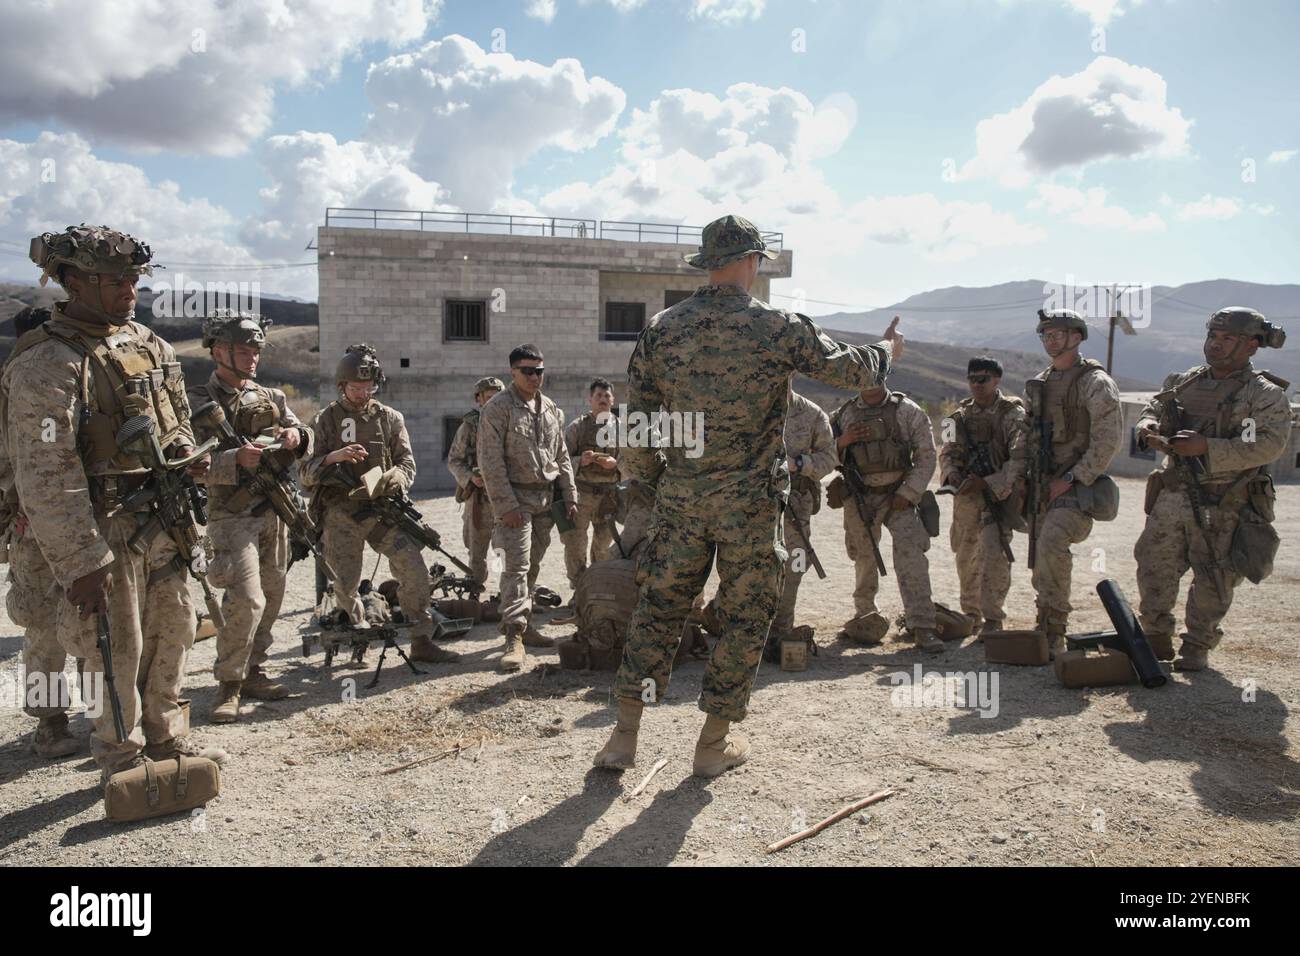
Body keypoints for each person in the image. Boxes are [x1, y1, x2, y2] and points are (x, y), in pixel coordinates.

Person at [593, 214, 902, 778]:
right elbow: (849, 373)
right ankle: (712, 745)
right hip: (750, 507)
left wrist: (658, 483)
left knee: (658, 612)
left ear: (709, 264)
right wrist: (884, 349)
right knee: (743, 618)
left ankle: (623, 739)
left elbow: (636, 423)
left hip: (681, 501)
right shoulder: (777, 326)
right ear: (753, 262)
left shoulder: (662, 328)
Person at [3, 225, 213, 785]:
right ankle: (120, 757)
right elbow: (46, 474)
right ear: (71, 280)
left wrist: (189, 454)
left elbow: (178, 419)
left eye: (134, 279)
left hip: (162, 520)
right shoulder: (48, 363)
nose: (129, 289)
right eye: (114, 279)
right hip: (104, 528)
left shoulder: (150, 343)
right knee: (113, 651)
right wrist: (79, 562)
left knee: (176, 629)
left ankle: (167, 739)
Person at [1133, 307, 1291, 671]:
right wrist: (1148, 426)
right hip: (1173, 492)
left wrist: (1208, 448)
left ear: (1252, 346)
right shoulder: (1187, 381)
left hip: (1225, 497)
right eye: (1212, 337)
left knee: (1215, 573)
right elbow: (1153, 406)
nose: (1215, 346)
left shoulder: (1262, 395)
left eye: (1227, 340)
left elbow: (1267, 445)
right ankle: (1156, 635)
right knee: (1154, 563)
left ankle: (1197, 644)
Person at [300, 344, 459, 664]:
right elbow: (305, 473)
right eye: (355, 388)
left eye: (368, 387)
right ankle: (357, 627)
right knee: (344, 582)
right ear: (341, 385)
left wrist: (395, 479)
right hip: (341, 512)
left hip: (382, 509)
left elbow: (407, 463)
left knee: (413, 569)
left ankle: (421, 640)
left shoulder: (390, 418)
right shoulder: (325, 420)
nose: (361, 394)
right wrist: (334, 458)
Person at [188, 310, 310, 722]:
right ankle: (229, 684)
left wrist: (297, 436)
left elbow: (300, 433)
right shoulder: (196, 402)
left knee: (273, 594)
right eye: (244, 350)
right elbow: (189, 465)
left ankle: (254, 669)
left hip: (273, 511)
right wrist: (232, 459)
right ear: (219, 351)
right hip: (230, 515)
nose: (253, 357)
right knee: (246, 597)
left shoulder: (272, 398)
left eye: (257, 349)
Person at [1, 306, 80, 757]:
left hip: (82, 517)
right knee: (44, 623)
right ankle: (50, 721)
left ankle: (102, 711)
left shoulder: (72, 378)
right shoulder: (16, 384)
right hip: (33, 525)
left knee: (93, 617)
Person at [1025, 309, 1122, 657]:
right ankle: (1043, 622)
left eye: (1058, 334)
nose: (1051, 340)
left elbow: (1108, 440)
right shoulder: (1040, 383)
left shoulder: (1095, 383)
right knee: (1039, 557)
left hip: (1077, 487)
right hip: (1042, 483)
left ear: (1077, 337)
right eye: (1046, 335)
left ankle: (1054, 630)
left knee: (1052, 542)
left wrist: (1071, 478)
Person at [476, 344, 578, 671]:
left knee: (532, 567)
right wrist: (505, 505)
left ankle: (526, 624)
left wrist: (570, 495)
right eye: (528, 371)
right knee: (515, 568)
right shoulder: (497, 408)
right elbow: (490, 462)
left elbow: (561, 456)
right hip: (515, 501)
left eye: (540, 371)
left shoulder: (549, 408)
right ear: (513, 372)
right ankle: (513, 637)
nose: (536, 377)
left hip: (545, 501)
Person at [830, 378, 940, 652]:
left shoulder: (907, 411)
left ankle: (922, 625)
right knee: (863, 557)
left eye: (873, 374)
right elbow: (823, 453)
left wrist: (908, 492)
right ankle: (866, 618)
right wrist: (843, 441)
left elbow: (927, 455)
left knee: (911, 556)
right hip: (860, 496)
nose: (867, 381)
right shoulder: (844, 414)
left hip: (899, 496)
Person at [938, 357, 1026, 637]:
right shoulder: (956, 417)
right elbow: (947, 451)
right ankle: (970, 615)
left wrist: (987, 483)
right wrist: (952, 473)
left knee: (994, 556)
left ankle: (992, 619)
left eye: (983, 379)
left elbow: (1020, 458)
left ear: (997, 380)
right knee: (966, 556)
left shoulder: (1013, 414)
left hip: (996, 497)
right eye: (972, 379)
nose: (976, 384)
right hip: (966, 497)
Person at [770, 376, 837, 643]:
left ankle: (780, 629)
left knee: (795, 564)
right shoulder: (748, 410)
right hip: (754, 504)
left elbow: (830, 457)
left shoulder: (811, 414)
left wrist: (798, 463)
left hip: (796, 504)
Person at [561, 378, 620, 601]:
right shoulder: (577, 427)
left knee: (604, 545)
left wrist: (615, 465)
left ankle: (597, 590)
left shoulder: (622, 429)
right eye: (599, 396)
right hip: (582, 494)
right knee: (576, 544)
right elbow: (561, 460)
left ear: (613, 400)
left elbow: (630, 461)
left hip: (609, 496)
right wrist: (580, 462)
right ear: (590, 399)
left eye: (607, 396)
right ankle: (579, 591)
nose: (603, 400)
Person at [446, 376, 504, 590]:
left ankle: (504, 589)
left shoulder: (511, 425)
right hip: (478, 500)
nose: (493, 402)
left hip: (503, 498)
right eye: (489, 398)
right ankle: (476, 586)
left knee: (503, 548)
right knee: (476, 549)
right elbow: (454, 460)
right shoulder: (469, 427)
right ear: (479, 399)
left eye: (498, 398)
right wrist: (471, 477)